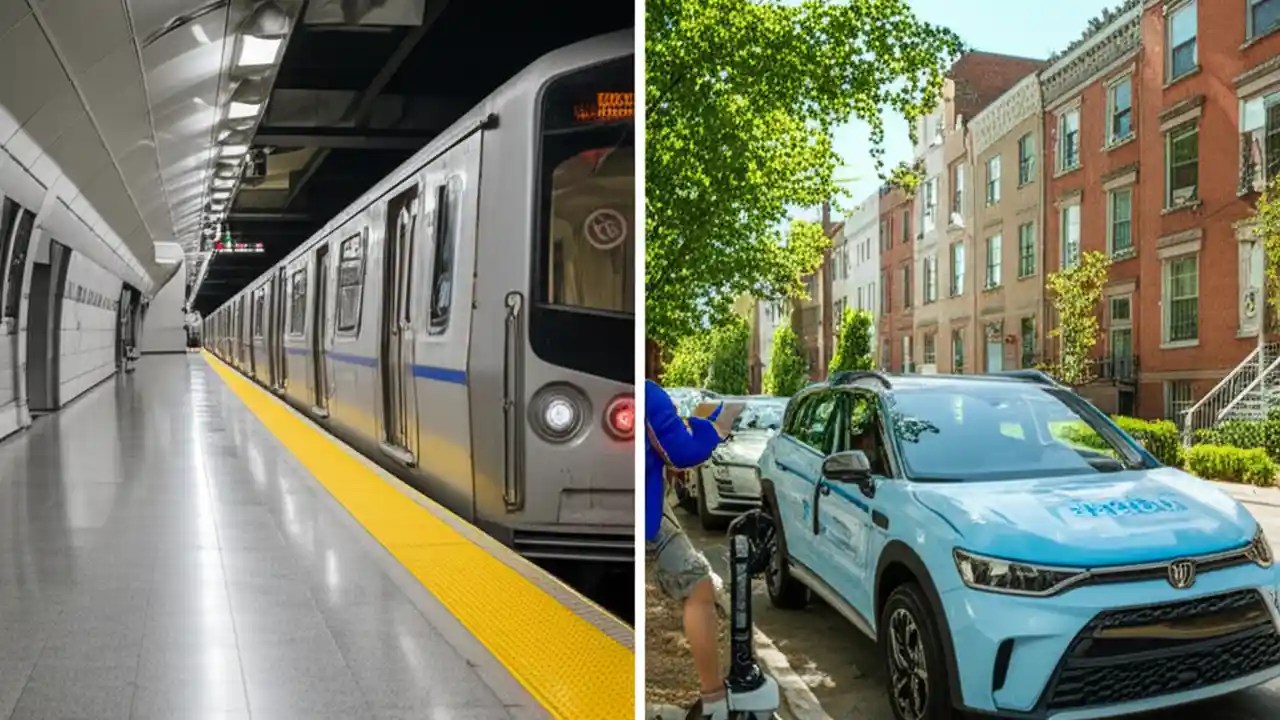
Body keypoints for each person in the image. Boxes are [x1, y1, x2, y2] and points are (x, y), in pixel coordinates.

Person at [645, 379, 731, 720]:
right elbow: (682, 453)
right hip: (644, 514)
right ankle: (715, 701)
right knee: (698, 586)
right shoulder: (648, 393)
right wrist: (713, 430)